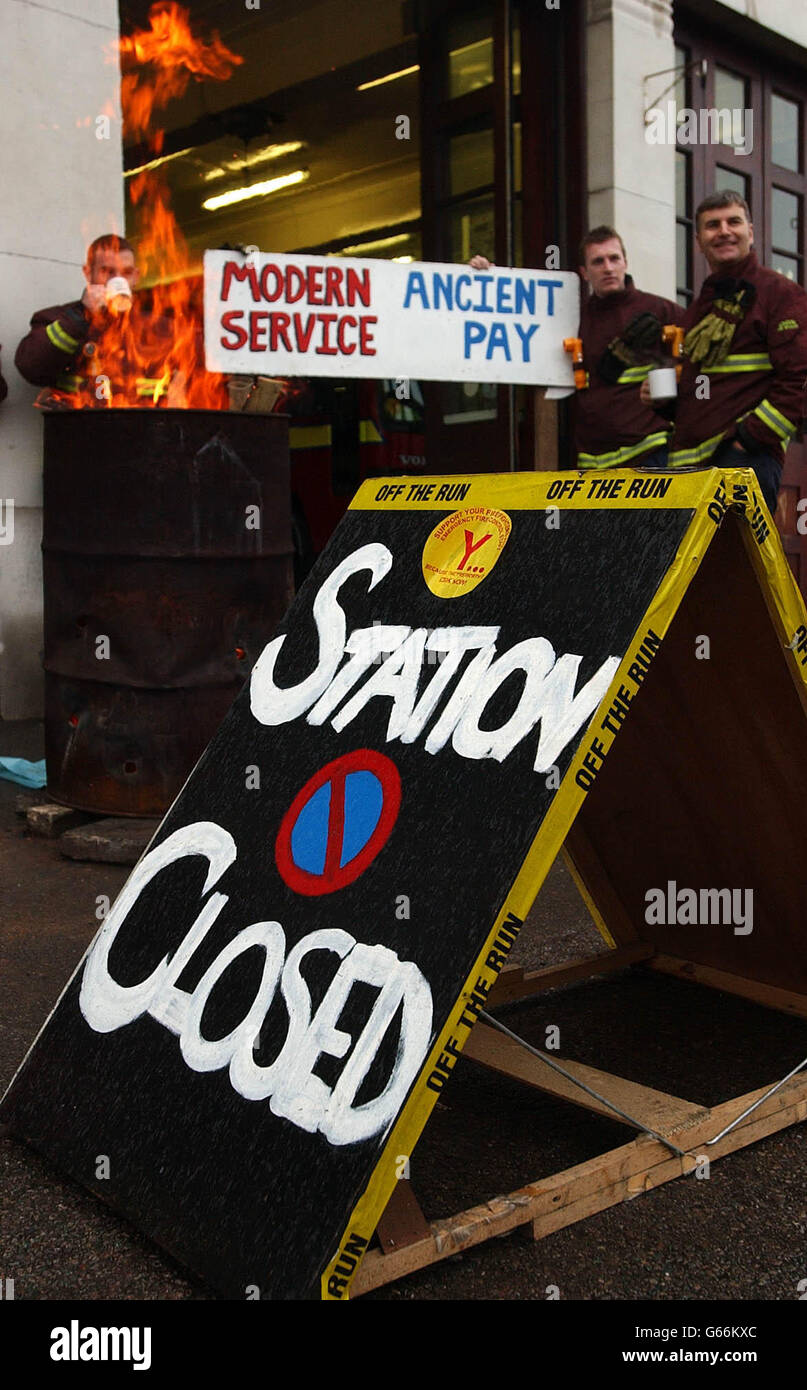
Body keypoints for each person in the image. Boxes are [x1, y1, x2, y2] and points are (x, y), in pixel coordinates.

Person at [646, 192, 807, 517]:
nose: (723, 231)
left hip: (743, 465)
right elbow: (705, 396)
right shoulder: (698, 311)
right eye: (712, 225)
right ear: (697, 241)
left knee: (736, 567)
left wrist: (747, 440)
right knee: (696, 569)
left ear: (750, 231)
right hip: (688, 472)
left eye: (733, 221)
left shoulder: (779, 294)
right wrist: (663, 400)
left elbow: (799, 379)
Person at [473, 229, 684, 468]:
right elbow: (512, 323)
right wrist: (487, 283)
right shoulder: (571, 318)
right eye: (598, 261)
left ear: (625, 262)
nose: (608, 268)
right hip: (593, 463)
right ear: (584, 272)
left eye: (614, 258)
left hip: (650, 455)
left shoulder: (661, 311)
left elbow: (700, 364)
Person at [14, 234, 155, 401]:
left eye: (127, 272)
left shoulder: (156, 327)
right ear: (88, 273)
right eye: (107, 271)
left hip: (142, 426)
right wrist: (80, 317)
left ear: (136, 277)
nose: (118, 279)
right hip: (79, 425)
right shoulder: (58, 318)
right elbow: (31, 369)